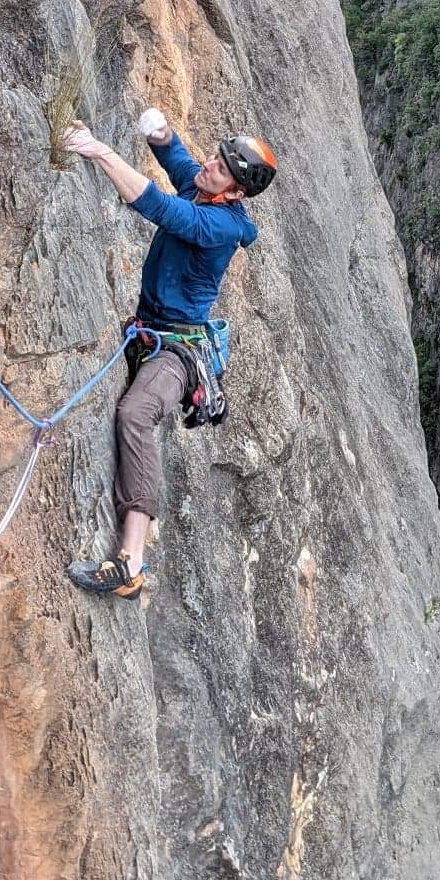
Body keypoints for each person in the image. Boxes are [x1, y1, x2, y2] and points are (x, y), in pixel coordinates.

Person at [57, 108, 277, 598]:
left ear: (236, 193)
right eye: (217, 158)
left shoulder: (219, 226)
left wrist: (99, 151)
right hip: (151, 331)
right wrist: (162, 134)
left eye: (222, 168)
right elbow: (179, 161)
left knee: (135, 413)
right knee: (129, 407)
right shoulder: (205, 188)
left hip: (177, 351)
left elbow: (159, 207)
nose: (210, 166)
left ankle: (131, 564)